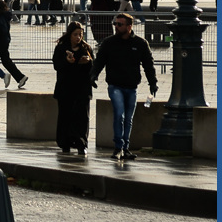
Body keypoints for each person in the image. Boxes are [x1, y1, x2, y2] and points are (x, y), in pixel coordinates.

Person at [92, 13, 159, 163]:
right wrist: (93, 76)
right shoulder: (109, 43)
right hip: (115, 86)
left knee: (128, 119)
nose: (116, 27)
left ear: (129, 27)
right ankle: (118, 147)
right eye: (115, 24)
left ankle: (125, 148)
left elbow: (149, 65)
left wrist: (153, 83)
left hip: (131, 87)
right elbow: (99, 61)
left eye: (120, 24)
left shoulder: (140, 43)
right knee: (119, 114)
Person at [51, 21, 96, 156]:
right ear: (69, 35)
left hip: (82, 88)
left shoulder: (86, 48)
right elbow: (57, 65)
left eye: (80, 34)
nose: (78, 37)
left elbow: (94, 67)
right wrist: (67, 61)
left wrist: (88, 62)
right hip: (65, 87)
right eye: (75, 34)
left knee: (82, 117)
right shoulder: (61, 48)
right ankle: (65, 143)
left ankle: (81, 143)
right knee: (65, 116)